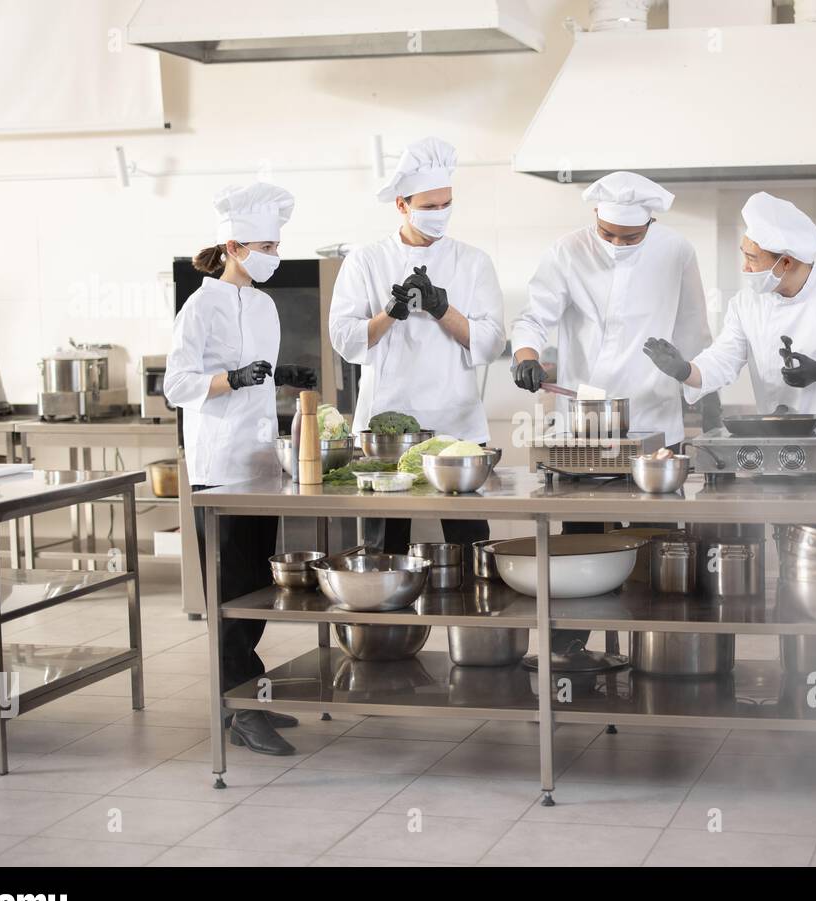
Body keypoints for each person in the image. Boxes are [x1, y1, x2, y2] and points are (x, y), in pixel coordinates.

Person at [165, 182, 315, 757]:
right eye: (264, 244)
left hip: (258, 462)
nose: (273, 254)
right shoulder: (200, 305)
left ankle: (250, 695)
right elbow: (176, 385)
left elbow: (259, 373)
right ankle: (240, 709)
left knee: (255, 589)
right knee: (229, 592)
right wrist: (234, 378)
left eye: (277, 243)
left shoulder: (265, 304)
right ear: (232, 245)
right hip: (217, 467)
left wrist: (280, 375)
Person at [328, 136, 505, 553]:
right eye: (429, 207)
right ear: (402, 205)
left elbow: (492, 342)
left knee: (470, 546)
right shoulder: (365, 261)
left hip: (456, 424)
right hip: (387, 430)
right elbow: (343, 338)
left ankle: (472, 619)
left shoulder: (474, 261)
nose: (440, 215)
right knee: (382, 547)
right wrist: (390, 313)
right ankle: (389, 614)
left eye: (446, 204)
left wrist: (443, 309)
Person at [644, 192, 816, 473]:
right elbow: (723, 359)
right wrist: (685, 370)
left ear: (786, 262)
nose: (745, 267)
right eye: (743, 254)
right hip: (780, 459)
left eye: (752, 258)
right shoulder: (746, 304)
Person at [509, 171, 711, 449]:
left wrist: (709, 398)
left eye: (631, 238)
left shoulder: (677, 250)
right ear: (595, 214)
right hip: (581, 420)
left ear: (651, 223)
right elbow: (532, 319)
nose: (617, 244)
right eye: (607, 234)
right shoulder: (568, 251)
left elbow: (693, 331)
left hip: (654, 417)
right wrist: (526, 358)